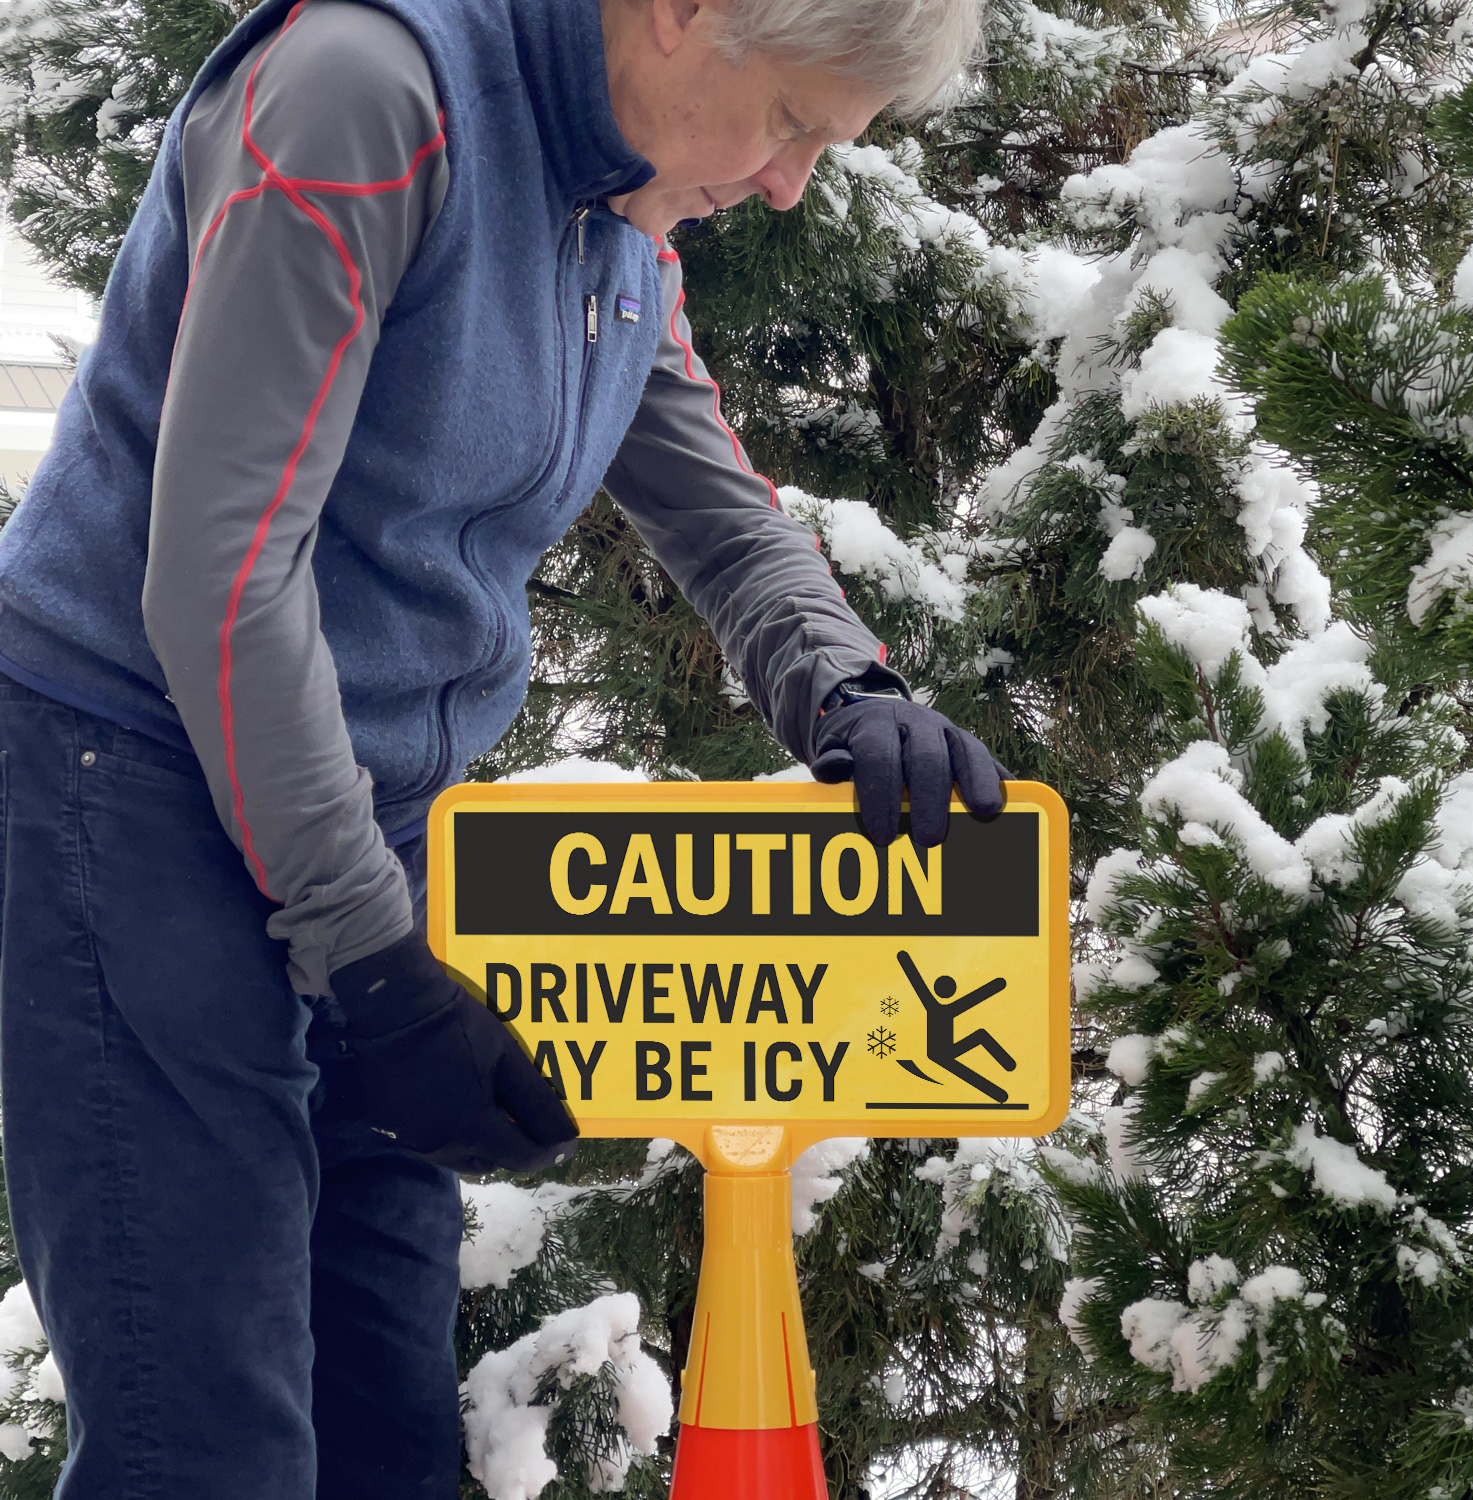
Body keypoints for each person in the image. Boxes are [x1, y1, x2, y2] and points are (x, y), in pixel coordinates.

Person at [0, 0, 995, 1493]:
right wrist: (374, 963)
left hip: (357, 809)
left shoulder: (618, 197)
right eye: (792, 121)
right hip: (124, 782)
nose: (793, 180)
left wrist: (847, 689)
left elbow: (714, 502)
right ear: (686, 13)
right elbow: (220, 574)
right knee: (202, 1437)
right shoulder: (365, 98)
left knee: (383, 1430)